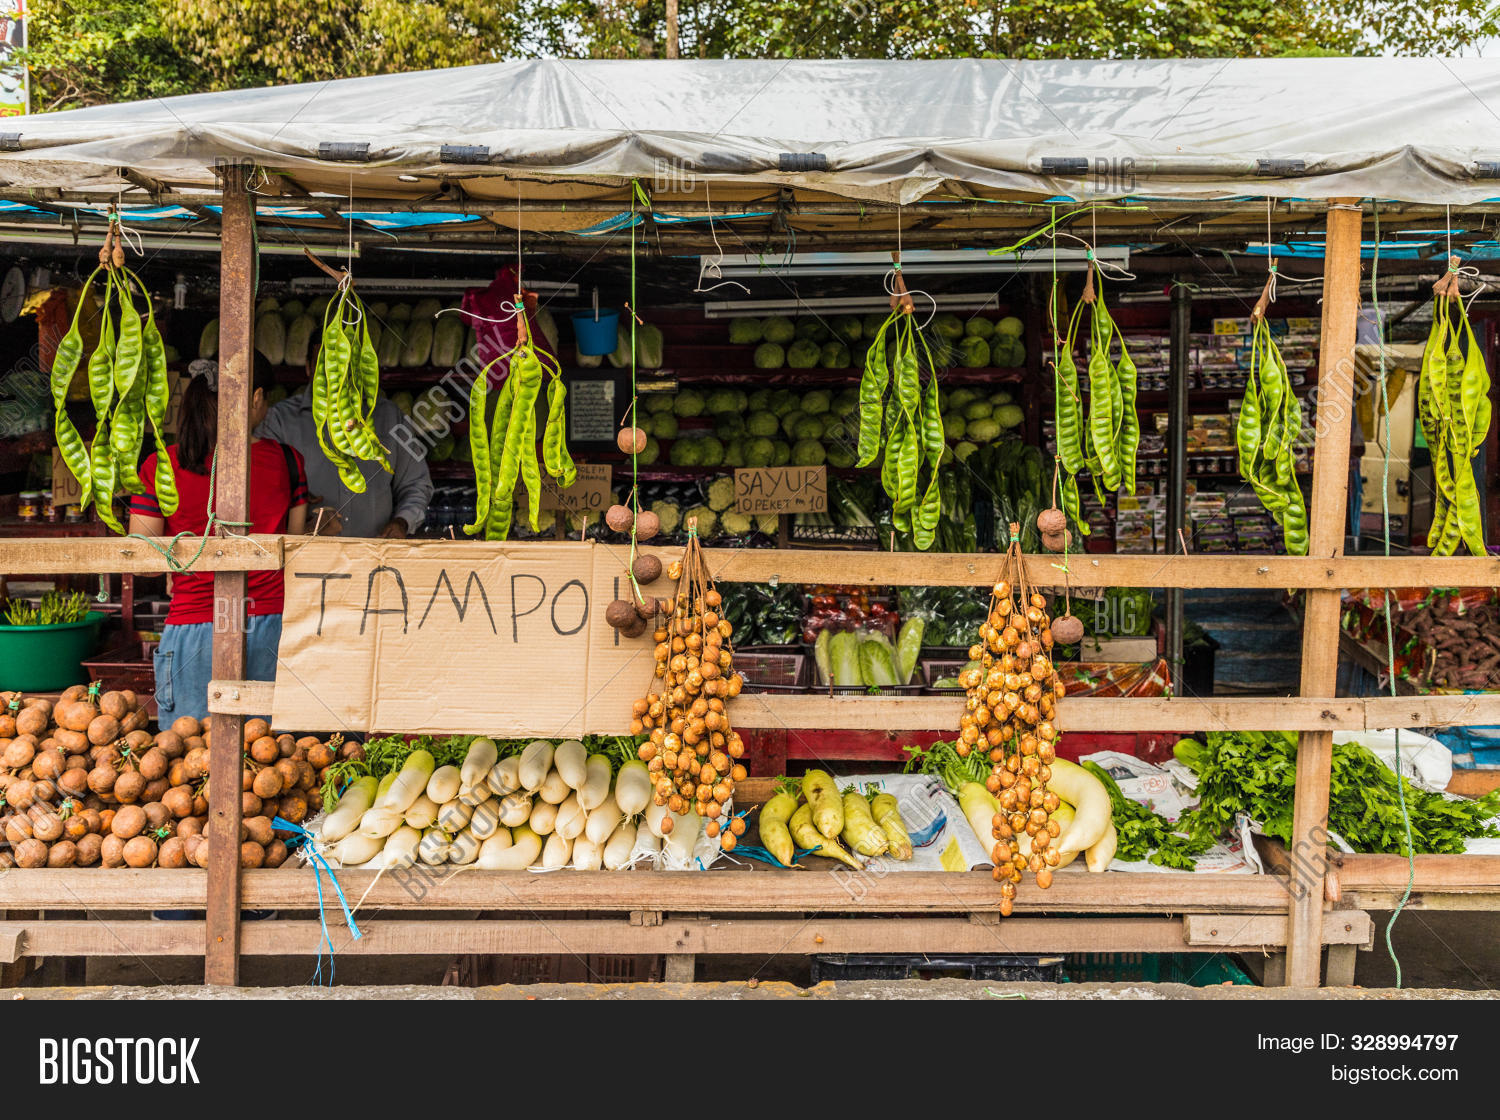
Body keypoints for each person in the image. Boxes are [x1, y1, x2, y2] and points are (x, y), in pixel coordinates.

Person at [128, 359, 310, 725]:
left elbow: (144, 560)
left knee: (187, 760)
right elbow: (298, 551)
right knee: (272, 762)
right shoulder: (287, 461)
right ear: (256, 397)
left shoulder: (160, 466)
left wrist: (179, 557)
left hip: (192, 628)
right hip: (272, 626)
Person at [254, 346, 433, 538]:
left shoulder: (390, 416)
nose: (336, 373)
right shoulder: (278, 420)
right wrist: (300, 505)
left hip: (375, 557)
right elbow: (262, 495)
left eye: (345, 364)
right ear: (308, 368)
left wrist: (402, 521)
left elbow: (416, 484)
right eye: (326, 365)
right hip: (306, 560)